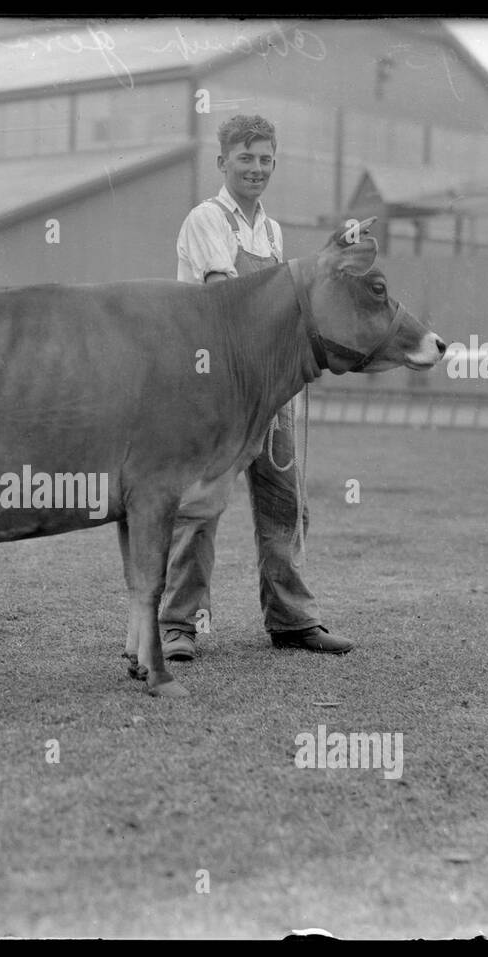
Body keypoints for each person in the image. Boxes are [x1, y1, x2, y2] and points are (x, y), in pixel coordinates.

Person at [160, 114, 353, 660]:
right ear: (223, 162)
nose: (257, 168)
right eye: (246, 158)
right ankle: (178, 624)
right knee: (201, 508)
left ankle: (292, 620)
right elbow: (230, 301)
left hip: (272, 389)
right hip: (215, 390)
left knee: (285, 505)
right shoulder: (205, 220)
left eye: (266, 159)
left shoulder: (271, 231)